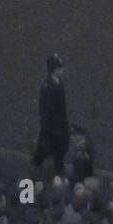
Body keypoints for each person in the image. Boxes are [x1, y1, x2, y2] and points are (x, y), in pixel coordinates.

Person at [32, 52, 70, 181]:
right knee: (41, 157)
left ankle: (54, 174)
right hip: (51, 130)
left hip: (58, 128)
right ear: (55, 69)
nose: (63, 69)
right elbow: (46, 111)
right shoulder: (48, 86)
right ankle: (35, 180)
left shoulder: (58, 83)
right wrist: (54, 128)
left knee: (57, 156)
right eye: (60, 67)